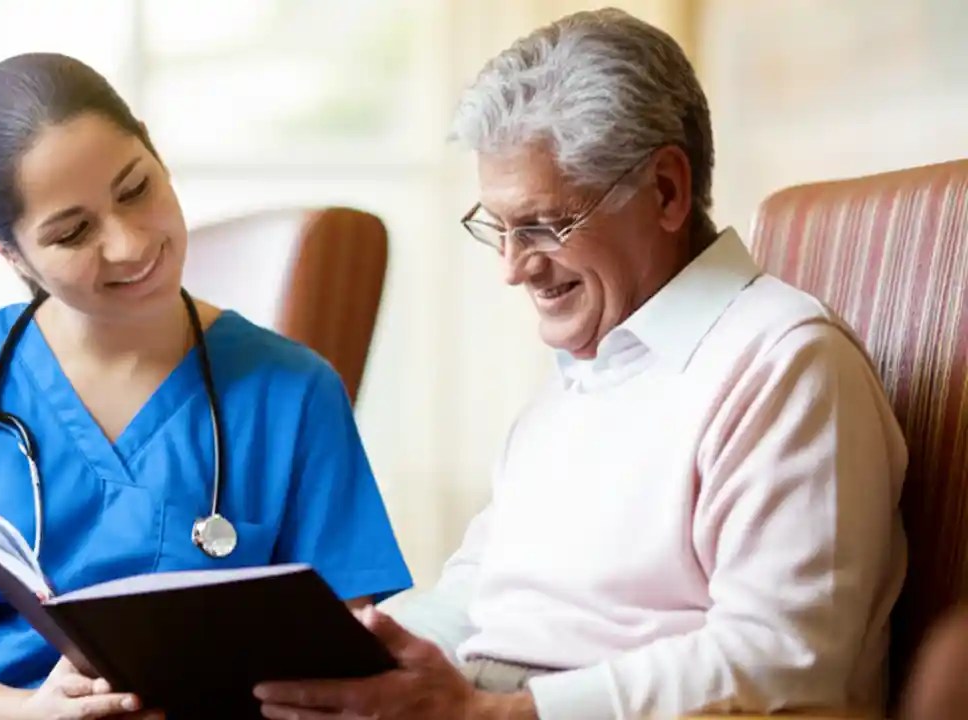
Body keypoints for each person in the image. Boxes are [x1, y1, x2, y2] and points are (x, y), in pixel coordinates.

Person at [254, 8, 907, 720]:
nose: (513, 268)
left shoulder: (785, 361)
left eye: (542, 225)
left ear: (665, 190)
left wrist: (497, 714)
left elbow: (784, 657)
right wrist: (340, 660)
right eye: (497, 228)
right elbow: (477, 596)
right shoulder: (584, 373)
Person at [0, 52, 412, 720]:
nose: (130, 245)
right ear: (8, 253)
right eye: (73, 232)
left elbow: (336, 653)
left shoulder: (295, 393)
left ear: (154, 148)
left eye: (136, 189)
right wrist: (31, 714)